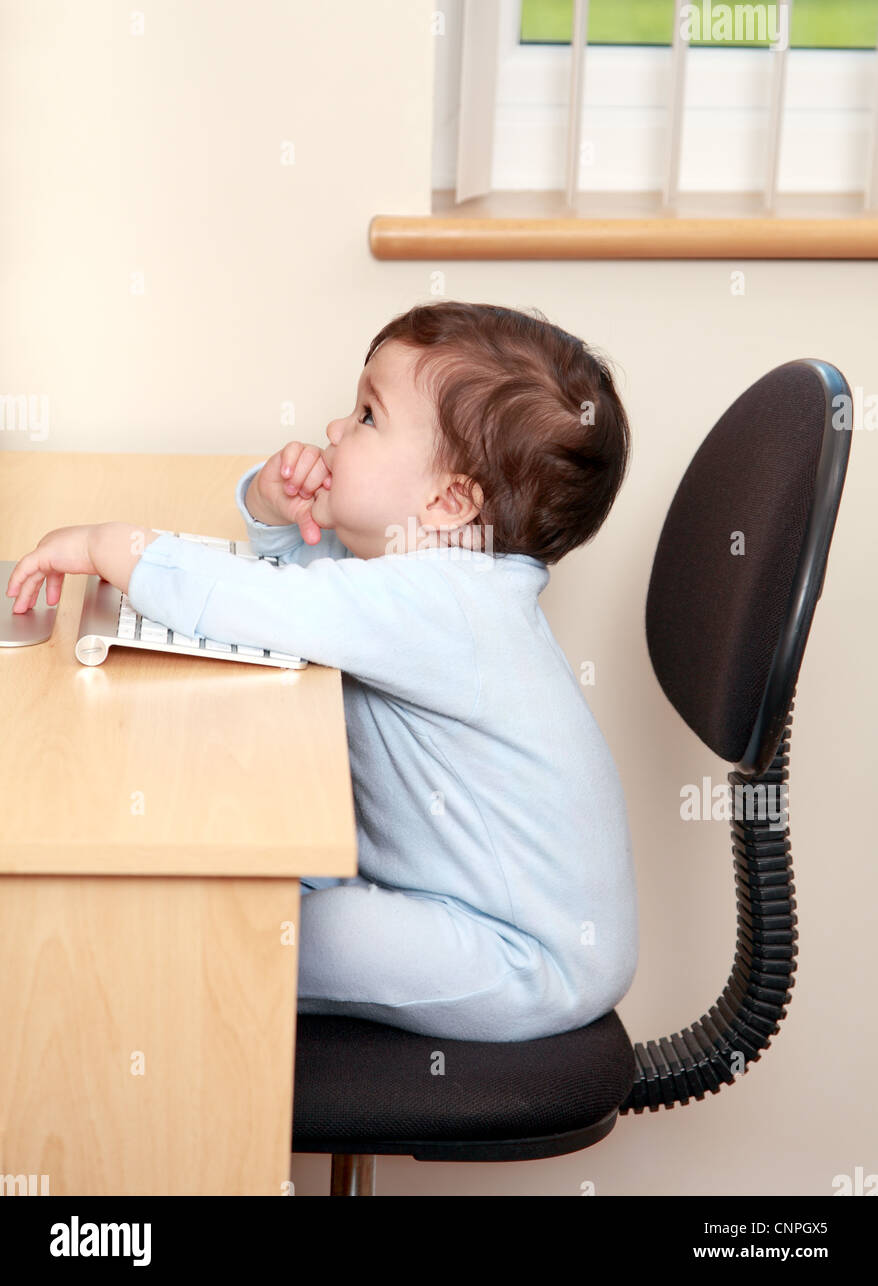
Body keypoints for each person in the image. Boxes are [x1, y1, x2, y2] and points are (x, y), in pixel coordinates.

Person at [7, 300, 639, 1042]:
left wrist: (115, 546)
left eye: (368, 416)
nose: (336, 430)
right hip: (451, 899)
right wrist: (276, 511)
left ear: (448, 501)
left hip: (524, 957)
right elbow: (317, 592)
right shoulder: (428, 572)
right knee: (242, 877)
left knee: (244, 928)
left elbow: (275, 603)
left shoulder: (454, 606)